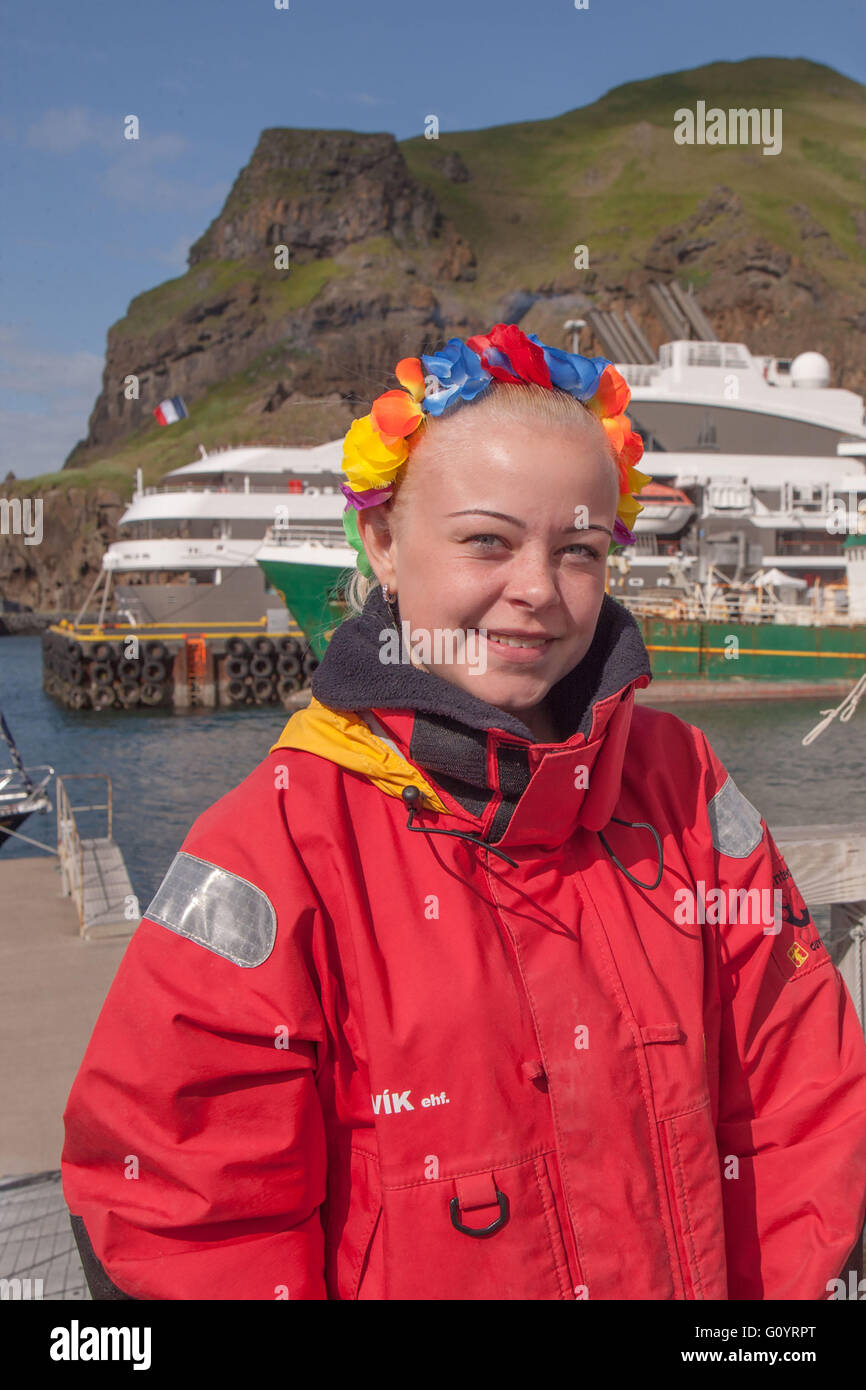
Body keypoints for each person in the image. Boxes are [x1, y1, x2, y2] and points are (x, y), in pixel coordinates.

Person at [61, 323, 866, 1301]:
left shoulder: (682, 779)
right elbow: (189, 1207)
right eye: (486, 540)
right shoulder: (277, 840)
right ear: (384, 541)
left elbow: (793, 1088)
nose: (532, 589)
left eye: (575, 549)